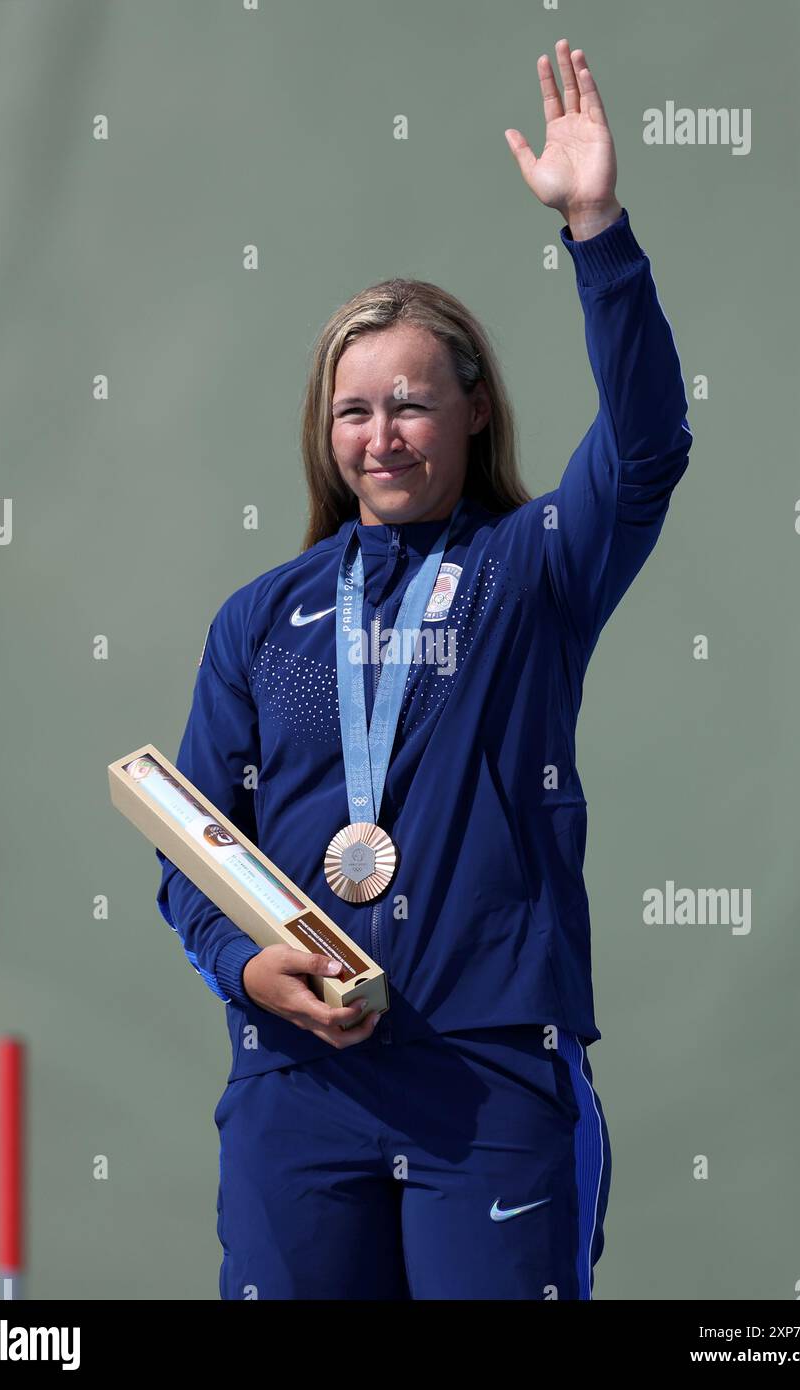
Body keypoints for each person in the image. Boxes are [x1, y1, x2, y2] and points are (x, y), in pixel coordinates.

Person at [155, 38, 692, 1300]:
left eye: (410, 404)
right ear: (323, 432)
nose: (381, 435)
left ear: (473, 413)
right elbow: (190, 848)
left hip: (488, 1076)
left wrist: (597, 230)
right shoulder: (259, 618)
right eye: (354, 410)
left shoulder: (536, 567)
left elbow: (650, 442)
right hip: (299, 1083)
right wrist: (248, 968)